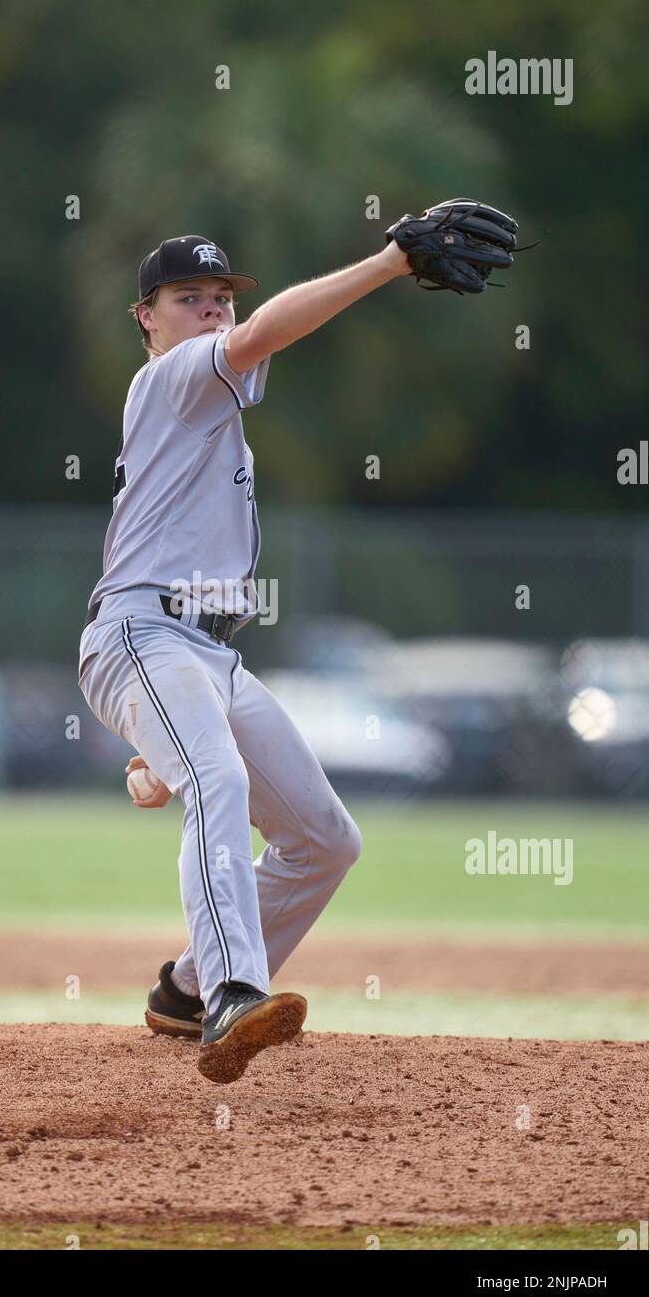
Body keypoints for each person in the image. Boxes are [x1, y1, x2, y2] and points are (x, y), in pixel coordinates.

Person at [78, 232, 412, 1084]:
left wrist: (164, 738)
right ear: (146, 320)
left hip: (203, 654)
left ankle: (187, 989)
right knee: (218, 783)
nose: (213, 307)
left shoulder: (206, 414)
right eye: (189, 296)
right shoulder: (172, 376)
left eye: (219, 293)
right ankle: (233, 991)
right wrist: (390, 263)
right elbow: (264, 333)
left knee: (324, 839)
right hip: (143, 631)